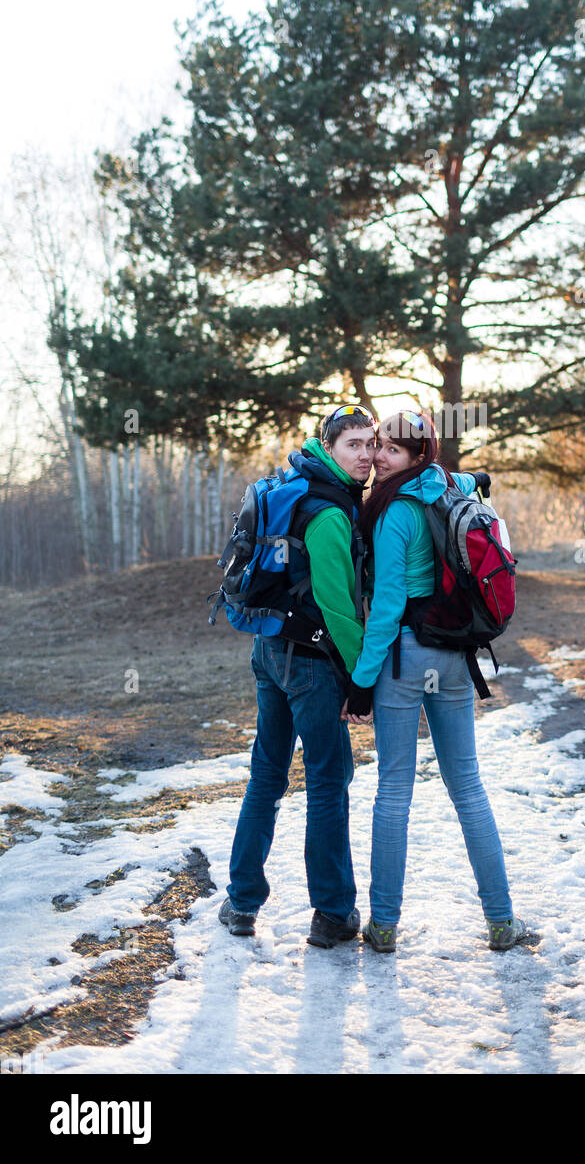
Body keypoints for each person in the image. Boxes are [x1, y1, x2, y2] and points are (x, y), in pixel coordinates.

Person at [343, 410, 528, 953]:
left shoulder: (395, 511)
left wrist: (361, 680)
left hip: (404, 658)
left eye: (392, 451)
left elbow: (387, 607)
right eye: (378, 447)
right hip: (453, 655)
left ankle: (383, 926)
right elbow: (468, 480)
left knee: (394, 791)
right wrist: (478, 480)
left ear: (417, 457)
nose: (379, 457)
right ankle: (501, 922)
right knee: (467, 787)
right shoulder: (446, 486)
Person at [219, 405, 376, 948]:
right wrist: (362, 678)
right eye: (352, 444)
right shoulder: (329, 513)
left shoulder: (293, 482)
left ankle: (241, 903)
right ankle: (333, 913)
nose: (363, 455)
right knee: (328, 782)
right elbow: (338, 607)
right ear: (328, 446)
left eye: (369, 443)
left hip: (269, 649)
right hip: (309, 663)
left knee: (267, 774)